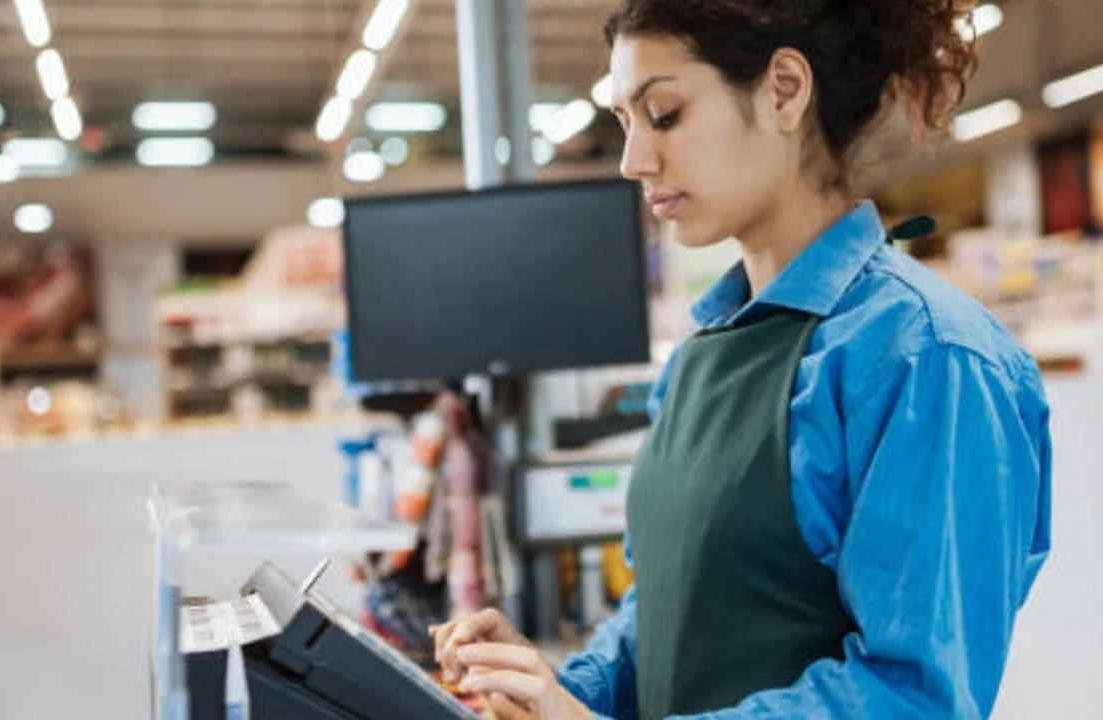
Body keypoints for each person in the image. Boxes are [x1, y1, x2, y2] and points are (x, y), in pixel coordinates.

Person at [430, 0, 1052, 717]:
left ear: (784, 89)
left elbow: (914, 696)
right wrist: (557, 690)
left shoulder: (926, 358)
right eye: (624, 123)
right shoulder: (702, 357)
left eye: (663, 114)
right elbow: (667, 612)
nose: (635, 161)